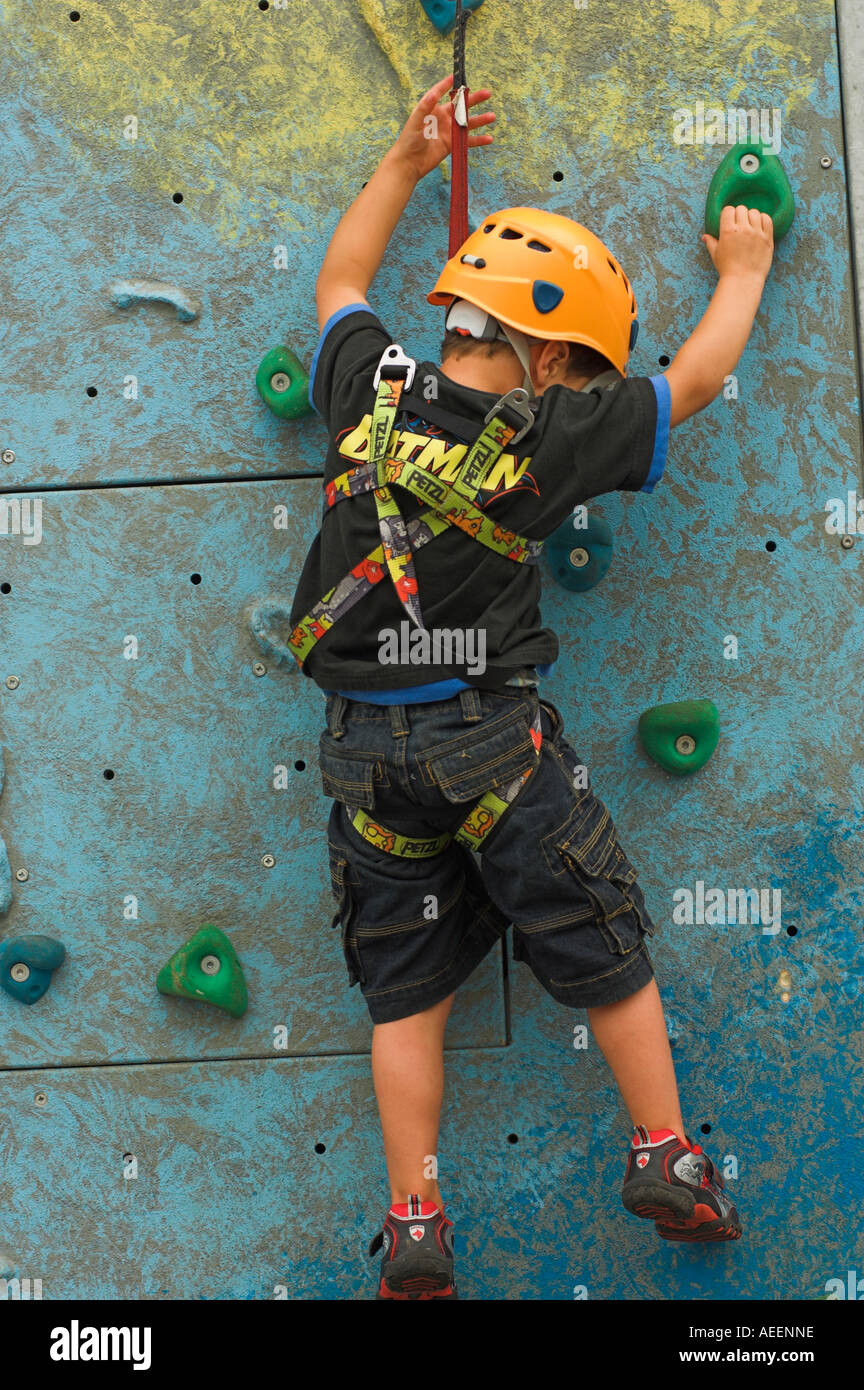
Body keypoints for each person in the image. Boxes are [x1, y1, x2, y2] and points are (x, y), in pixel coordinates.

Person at [290, 74, 775, 1299]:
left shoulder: (372, 383)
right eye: (579, 367)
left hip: (363, 758)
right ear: (552, 354)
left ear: (459, 318)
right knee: (602, 937)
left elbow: (340, 282)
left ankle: (413, 1219)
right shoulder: (552, 433)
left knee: (405, 993)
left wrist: (407, 163)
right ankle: (665, 1153)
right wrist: (745, 270)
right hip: (492, 747)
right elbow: (700, 379)